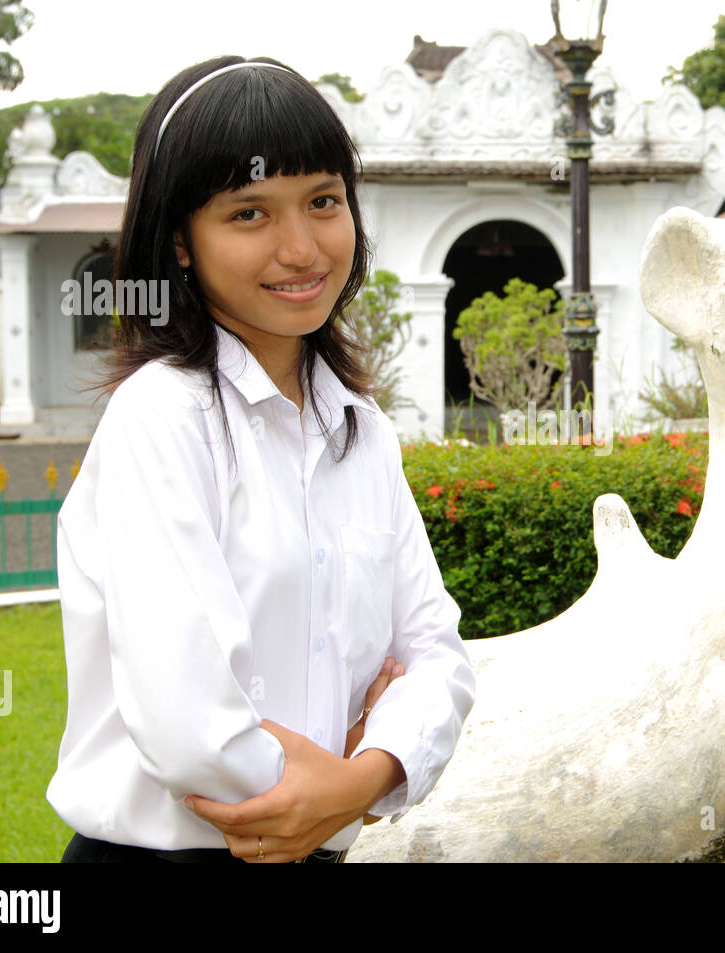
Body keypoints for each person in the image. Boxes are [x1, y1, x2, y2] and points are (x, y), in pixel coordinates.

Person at [47, 55, 476, 863]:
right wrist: (354, 779)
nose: (302, 247)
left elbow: (439, 661)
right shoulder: (163, 417)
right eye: (249, 214)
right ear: (179, 241)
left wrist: (364, 772)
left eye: (323, 201)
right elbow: (189, 723)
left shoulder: (362, 432)